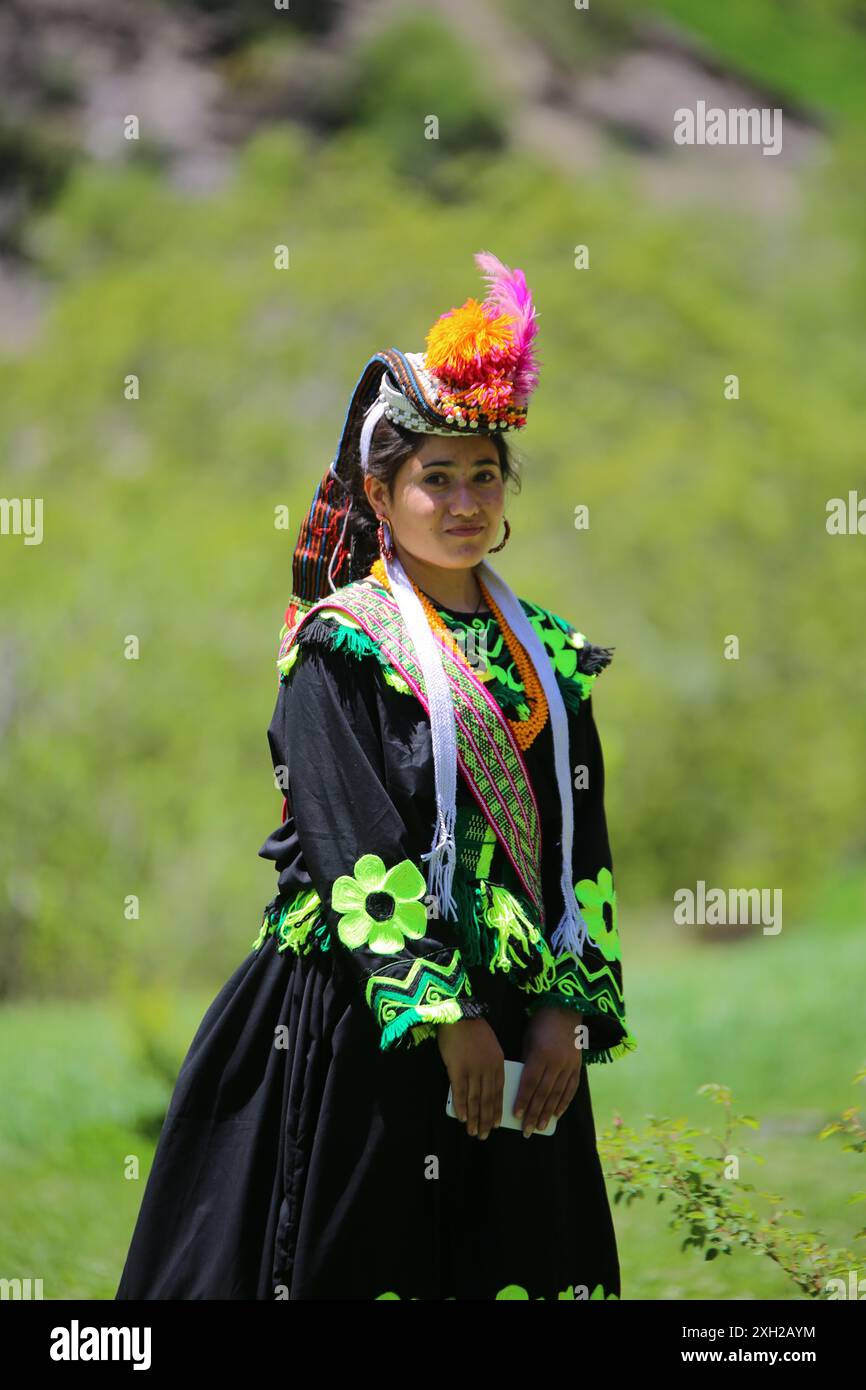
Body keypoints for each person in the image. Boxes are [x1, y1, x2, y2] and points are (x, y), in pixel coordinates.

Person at [115, 251, 637, 1302]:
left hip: (519, 1004)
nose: (461, 500)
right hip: (368, 1010)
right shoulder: (340, 647)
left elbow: (582, 842)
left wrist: (563, 1013)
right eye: (432, 478)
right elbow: (352, 842)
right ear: (380, 491)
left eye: (481, 473)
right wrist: (445, 1014)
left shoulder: (546, 654)